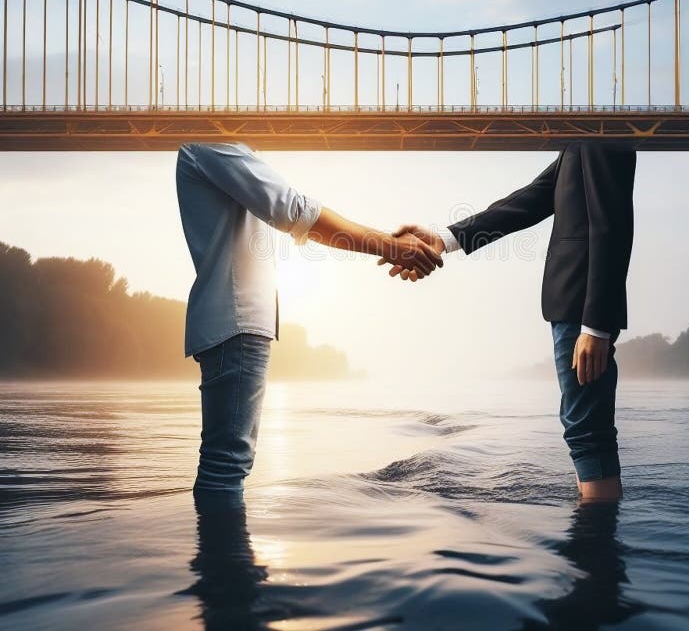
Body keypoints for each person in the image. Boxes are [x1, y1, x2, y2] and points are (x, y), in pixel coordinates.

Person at [176, 141, 442, 504]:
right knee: (227, 465)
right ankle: (222, 559)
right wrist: (390, 246)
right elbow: (295, 210)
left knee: (227, 463)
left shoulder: (221, 148)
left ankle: (221, 555)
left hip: (235, 323)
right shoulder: (216, 145)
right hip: (236, 323)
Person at [383, 140, 636, 501]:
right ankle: (595, 533)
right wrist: (443, 238)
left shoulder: (601, 133)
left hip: (583, 310)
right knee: (583, 430)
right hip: (573, 306)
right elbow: (532, 199)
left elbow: (612, 224)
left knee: (587, 431)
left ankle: (597, 544)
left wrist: (595, 325)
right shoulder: (583, 139)